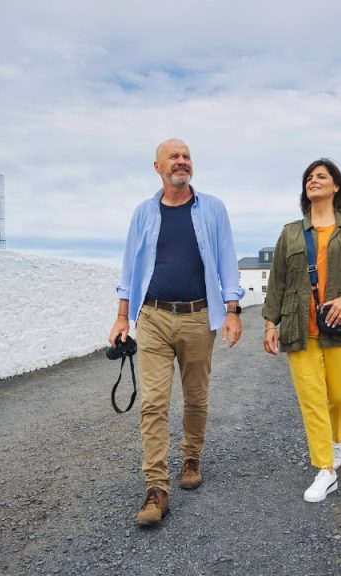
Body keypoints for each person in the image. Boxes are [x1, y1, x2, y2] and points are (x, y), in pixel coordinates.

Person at [110, 138, 244, 526]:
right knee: (153, 402)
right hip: (152, 316)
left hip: (199, 316)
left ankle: (191, 457)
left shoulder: (213, 208)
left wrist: (232, 310)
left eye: (186, 156)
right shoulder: (143, 213)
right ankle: (156, 488)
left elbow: (227, 261)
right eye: (174, 156)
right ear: (157, 167)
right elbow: (129, 268)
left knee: (196, 396)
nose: (182, 161)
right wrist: (122, 317)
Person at [261, 158, 341, 503]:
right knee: (312, 401)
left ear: (336, 186)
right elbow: (278, 282)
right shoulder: (291, 233)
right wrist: (270, 323)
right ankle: (325, 469)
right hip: (300, 329)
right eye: (309, 177)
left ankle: (337, 443)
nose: (313, 181)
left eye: (321, 176)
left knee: (338, 397)